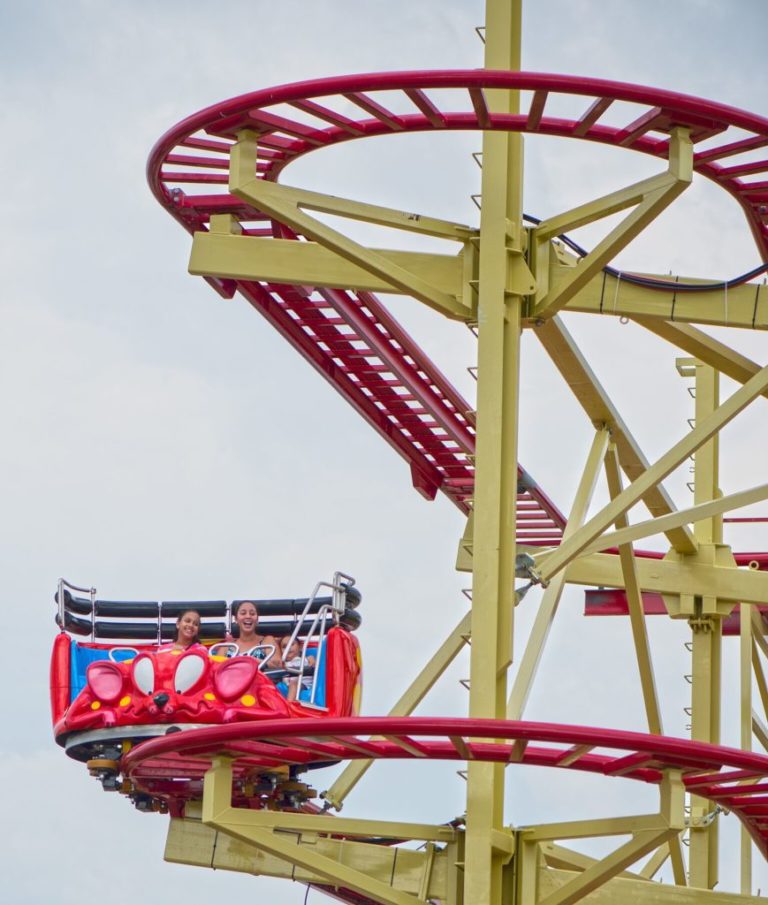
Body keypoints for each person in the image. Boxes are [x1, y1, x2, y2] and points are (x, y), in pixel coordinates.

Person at [226, 600, 281, 667]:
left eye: (252, 614)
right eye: (243, 613)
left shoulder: (267, 641)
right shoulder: (226, 647)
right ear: (236, 619)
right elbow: (215, 669)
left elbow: (277, 666)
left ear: (257, 619)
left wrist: (252, 660)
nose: (248, 616)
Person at [280, 635, 316, 702]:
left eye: (292, 644)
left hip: (304, 685)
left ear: (300, 647)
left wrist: (312, 659)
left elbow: (317, 666)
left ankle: (289, 705)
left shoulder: (305, 659)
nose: (288, 648)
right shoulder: (284, 664)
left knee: (294, 684)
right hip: (288, 684)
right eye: (284, 646)